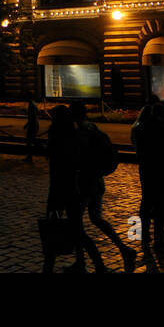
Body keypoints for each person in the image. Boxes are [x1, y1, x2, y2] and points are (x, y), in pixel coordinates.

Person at [72, 102, 136, 273]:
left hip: (86, 182)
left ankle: (82, 262)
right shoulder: (93, 128)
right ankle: (124, 248)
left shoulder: (80, 134)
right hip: (98, 180)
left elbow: (79, 159)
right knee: (96, 218)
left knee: (76, 222)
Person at [42, 104, 105, 272]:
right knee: (78, 231)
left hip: (58, 189)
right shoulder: (74, 134)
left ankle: (48, 267)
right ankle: (97, 264)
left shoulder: (57, 135)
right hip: (73, 189)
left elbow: (54, 159)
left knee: (52, 228)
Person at [132, 100, 164, 254]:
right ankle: (159, 240)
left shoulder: (140, 128)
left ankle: (144, 235)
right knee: (161, 205)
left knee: (146, 202)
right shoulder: (162, 128)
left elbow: (138, 149)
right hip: (160, 170)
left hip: (145, 169)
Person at [23, 93, 40, 162]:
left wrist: (27, 124)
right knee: (32, 140)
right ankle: (30, 156)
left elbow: (31, 117)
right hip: (35, 124)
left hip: (32, 125)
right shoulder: (34, 104)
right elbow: (37, 113)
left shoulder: (31, 105)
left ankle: (30, 157)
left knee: (29, 141)